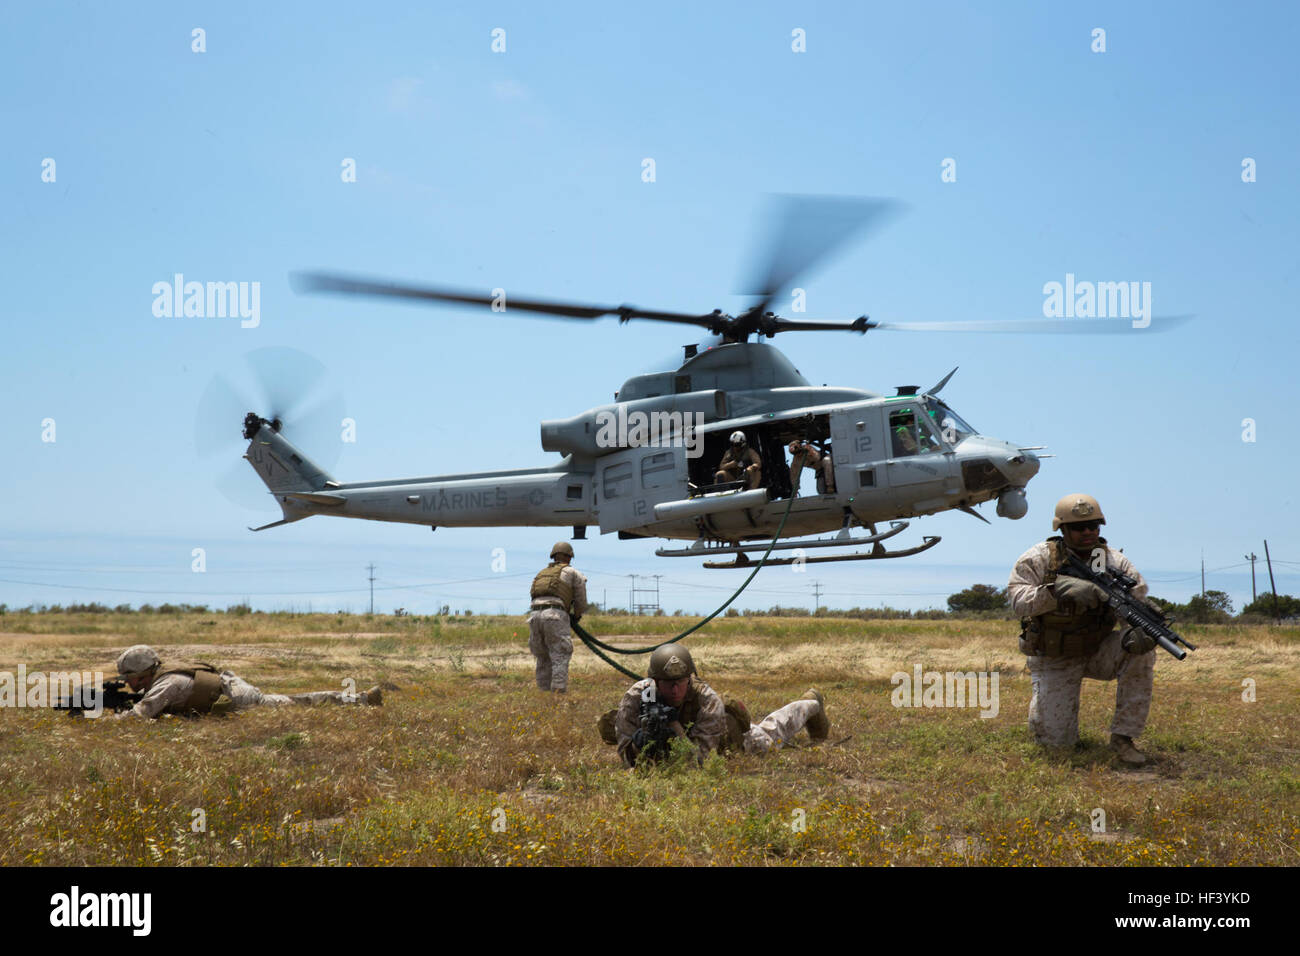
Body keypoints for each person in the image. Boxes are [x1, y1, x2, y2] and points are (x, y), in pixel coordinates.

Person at [1007, 493, 1157, 766]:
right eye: (1078, 527)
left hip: (1097, 649)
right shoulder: (1039, 558)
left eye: (1094, 526)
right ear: (1062, 529)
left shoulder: (1114, 562)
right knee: (1057, 747)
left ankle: (1123, 739)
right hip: (1053, 655)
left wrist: (1143, 626)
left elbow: (1135, 601)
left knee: (1141, 650)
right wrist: (1056, 592)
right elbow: (1018, 602)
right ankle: (1046, 717)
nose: (1087, 532)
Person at [597, 643, 830, 768]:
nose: (675, 690)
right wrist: (643, 743)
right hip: (682, 738)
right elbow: (626, 759)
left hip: (724, 738)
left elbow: (699, 762)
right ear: (654, 681)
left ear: (690, 678)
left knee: (771, 736)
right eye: (668, 685)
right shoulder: (637, 697)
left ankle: (811, 703)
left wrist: (675, 726)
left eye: (680, 683)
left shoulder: (707, 700)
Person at [112, 644, 382, 719]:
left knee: (296, 702)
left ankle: (360, 699)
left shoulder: (166, 684)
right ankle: (359, 699)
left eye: (131, 678)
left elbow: (141, 715)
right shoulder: (163, 677)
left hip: (240, 698)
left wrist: (106, 718)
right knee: (297, 700)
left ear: (143, 673)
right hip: (232, 688)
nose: (129, 684)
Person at [527, 540, 588, 693]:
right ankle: (558, 693)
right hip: (555, 614)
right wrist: (577, 615)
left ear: (553, 556)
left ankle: (543, 692)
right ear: (569, 556)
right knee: (560, 653)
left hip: (534, 615)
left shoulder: (542, 573)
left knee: (542, 656)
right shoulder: (572, 572)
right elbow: (581, 598)